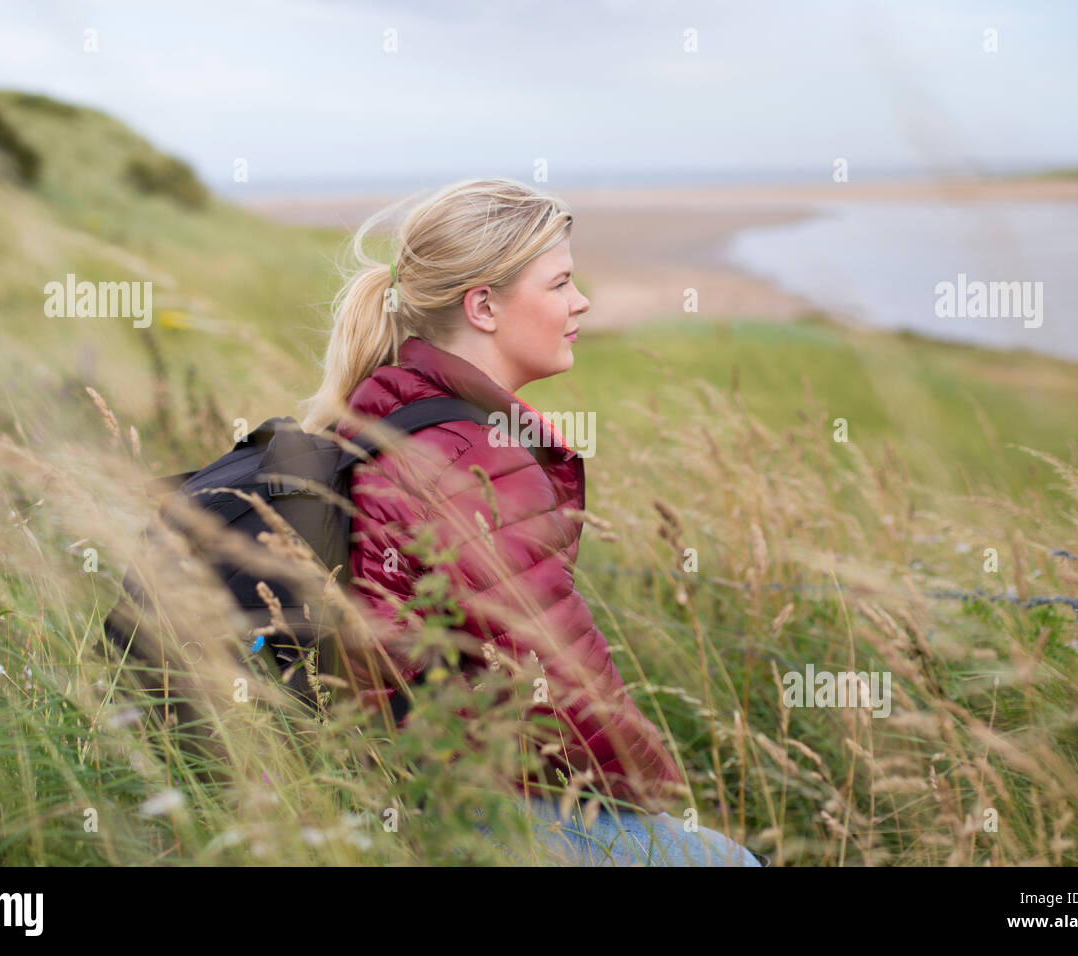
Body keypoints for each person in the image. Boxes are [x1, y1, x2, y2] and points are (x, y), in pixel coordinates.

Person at [298, 177, 763, 867]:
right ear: (484, 305)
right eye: (560, 283)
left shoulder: (391, 408)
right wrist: (652, 788)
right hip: (455, 801)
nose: (581, 303)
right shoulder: (472, 455)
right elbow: (560, 676)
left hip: (393, 776)